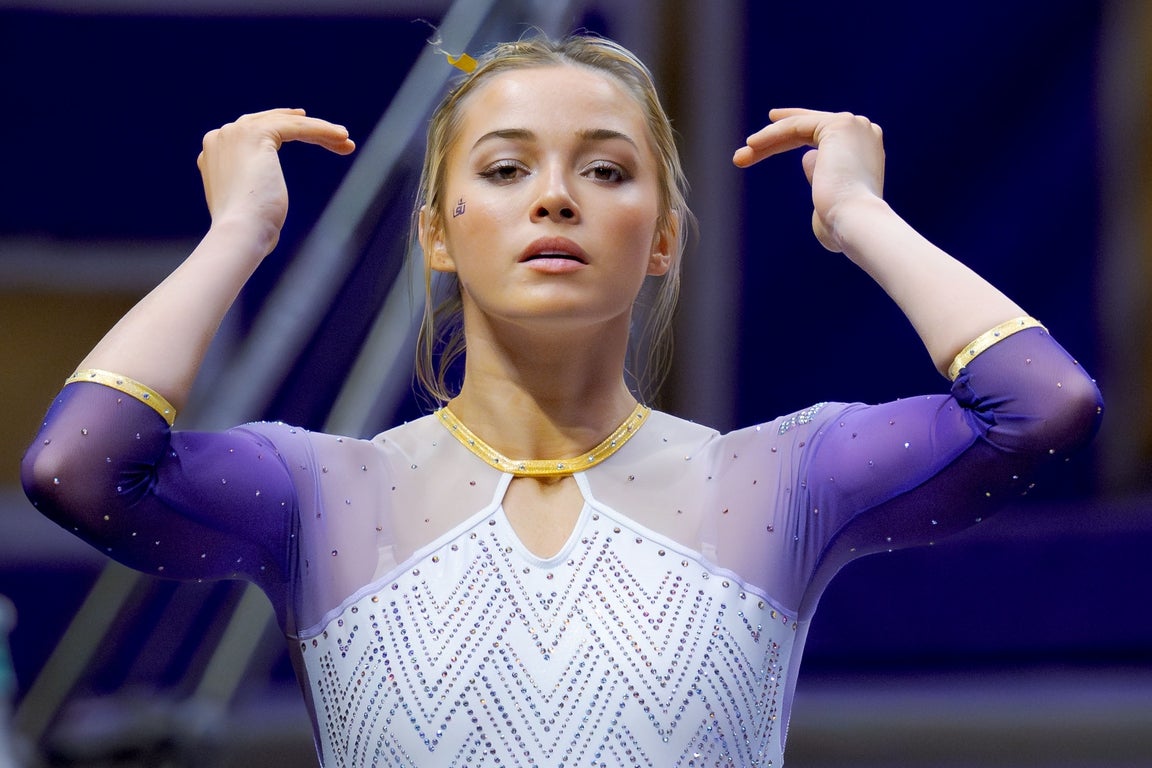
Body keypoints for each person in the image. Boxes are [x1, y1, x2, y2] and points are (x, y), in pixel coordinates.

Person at [21, 33, 1102, 768]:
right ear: (437, 235)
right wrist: (241, 234)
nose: (553, 195)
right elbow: (79, 471)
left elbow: (1039, 404)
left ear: (665, 238)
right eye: (503, 169)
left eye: (605, 170)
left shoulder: (776, 479)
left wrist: (860, 213)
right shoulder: (323, 491)